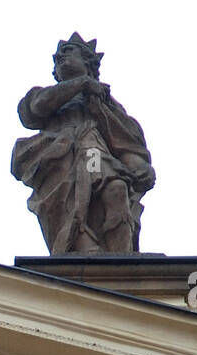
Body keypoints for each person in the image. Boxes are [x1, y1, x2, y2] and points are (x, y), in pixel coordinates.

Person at [11, 34, 154, 255]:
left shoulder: (105, 102)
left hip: (93, 155)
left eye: (69, 52)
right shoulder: (44, 94)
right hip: (59, 160)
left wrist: (141, 166)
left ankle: (122, 262)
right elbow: (35, 109)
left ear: (87, 62)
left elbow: (125, 138)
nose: (61, 58)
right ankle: (84, 252)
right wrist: (81, 84)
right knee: (73, 203)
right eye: (58, 58)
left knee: (115, 188)